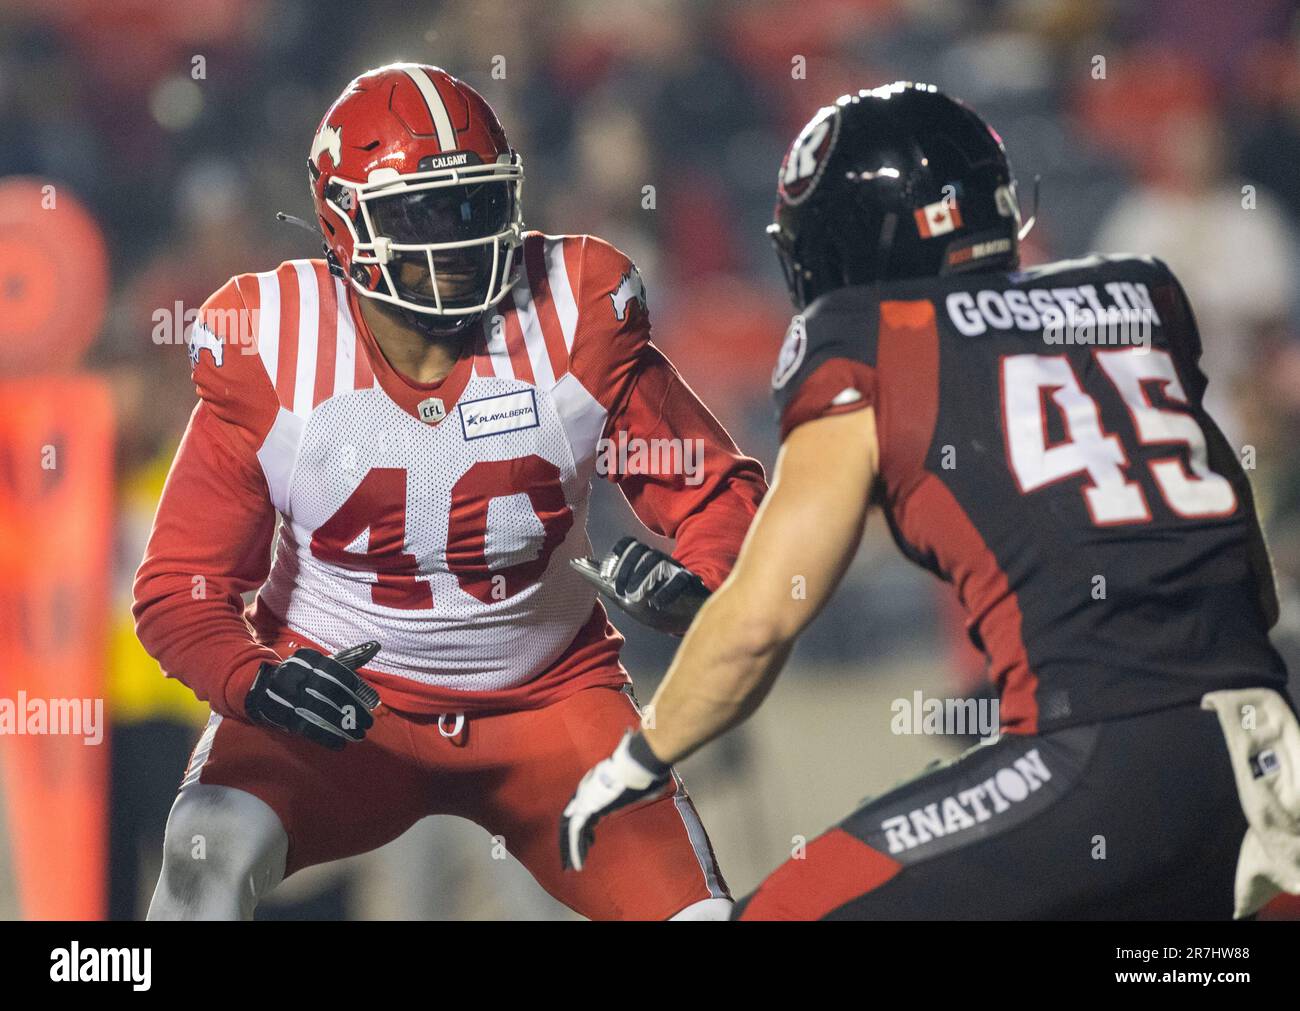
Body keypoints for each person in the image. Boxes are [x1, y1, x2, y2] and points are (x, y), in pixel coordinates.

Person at [559, 81, 1300, 920]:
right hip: (1268, 753)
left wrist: (636, 759)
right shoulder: (1138, 299)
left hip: (1092, 762)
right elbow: (1249, 579)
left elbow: (762, 621)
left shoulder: (876, 344)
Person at [135, 63, 764, 921]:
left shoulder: (575, 314)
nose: (458, 239)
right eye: (422, 214)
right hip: (346, 703)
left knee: (702, 918)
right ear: (342, 225)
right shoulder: (272, 346)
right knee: (203, 855)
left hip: (550, 701)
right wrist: (256, 679)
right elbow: (180, 591)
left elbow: (715, 492)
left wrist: (709, 584)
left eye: (475, 205)